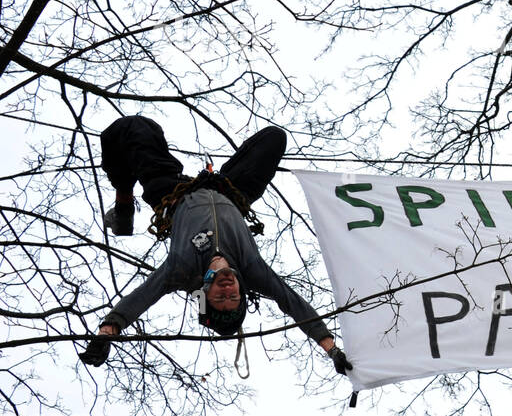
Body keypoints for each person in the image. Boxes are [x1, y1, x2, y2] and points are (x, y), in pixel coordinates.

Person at [80, 115, 352, 376]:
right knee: (274, 138)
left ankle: (123, 208)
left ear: (204, 294)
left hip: (172, 194)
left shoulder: (182, 270)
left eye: (219, 298)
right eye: (233, 297)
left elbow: (141, 297)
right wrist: (332, 349)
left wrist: (107, 332)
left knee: (133, 129)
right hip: (230, 191)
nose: (227, 291)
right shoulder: (251, 269)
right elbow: (293, 304)